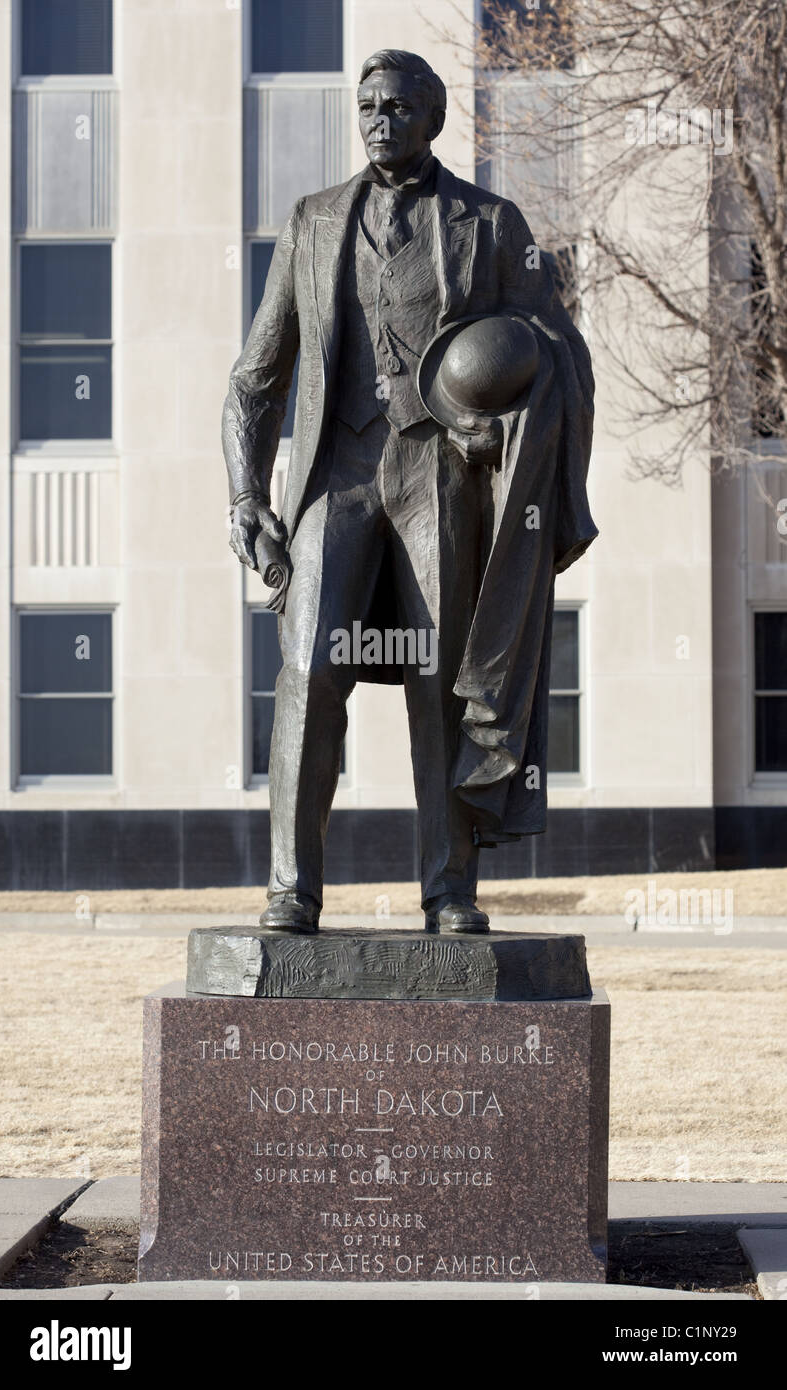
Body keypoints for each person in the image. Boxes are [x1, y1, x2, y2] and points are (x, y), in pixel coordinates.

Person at [222, 50, 596, 935]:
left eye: (397, 105)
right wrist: (246, 500)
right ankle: (292, 890)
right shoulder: (313, 222)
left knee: (440, 682)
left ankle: (448, 890)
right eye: (367, 107)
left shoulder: (491, 223)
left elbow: (556, 344)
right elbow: (254, 379)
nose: (380, 119)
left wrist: (506, 393)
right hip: (335, 480)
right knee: (309, 671)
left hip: (440, 475)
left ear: (432, 117)